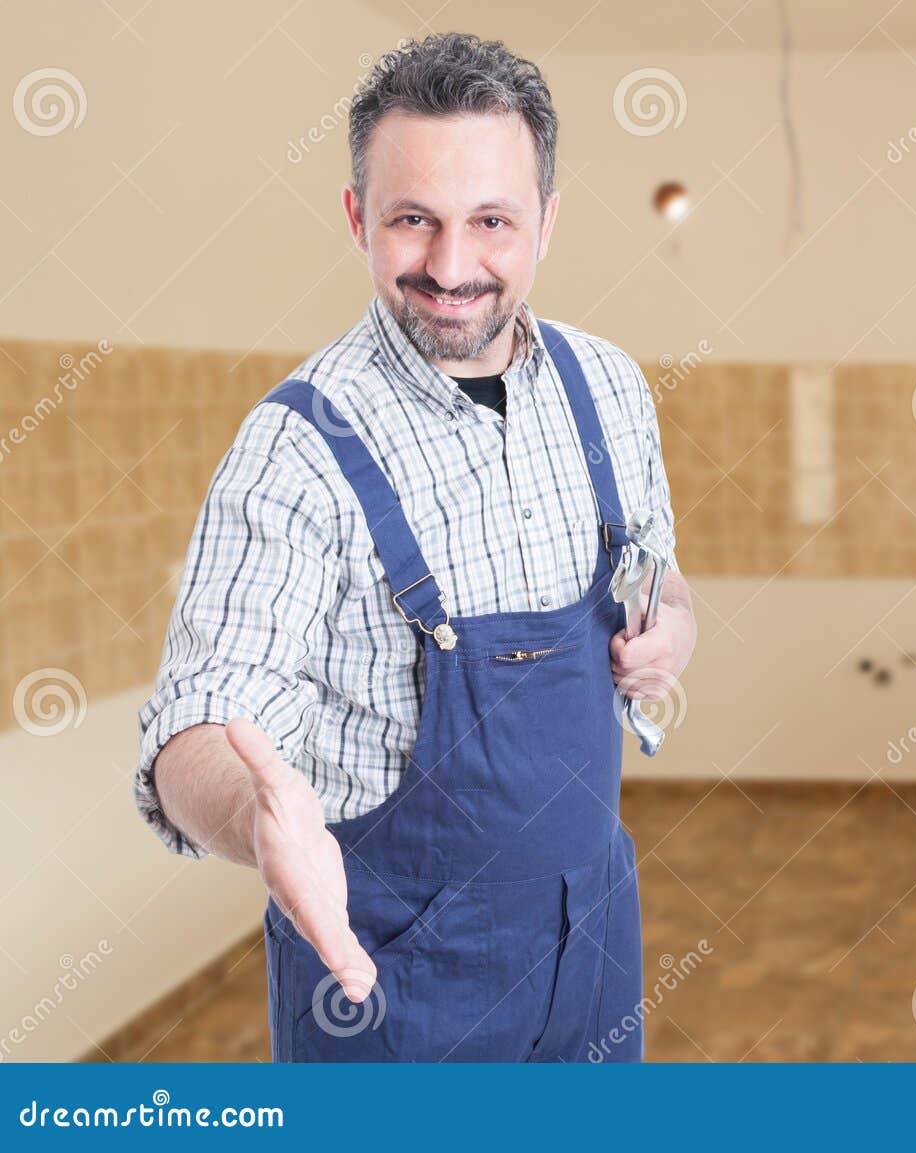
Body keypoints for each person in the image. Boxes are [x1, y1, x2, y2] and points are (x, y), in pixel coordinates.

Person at [133, 32, 695, 1062]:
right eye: (412, 220)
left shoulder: (610, 388)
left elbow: (657, 577)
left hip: (597, 935)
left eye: (491, 221)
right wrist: (262, 816)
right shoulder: (295, 450)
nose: (450, 266)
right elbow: (195, 729)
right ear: (358, 217)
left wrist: (671, 636)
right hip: (390, 973)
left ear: (547, 223)